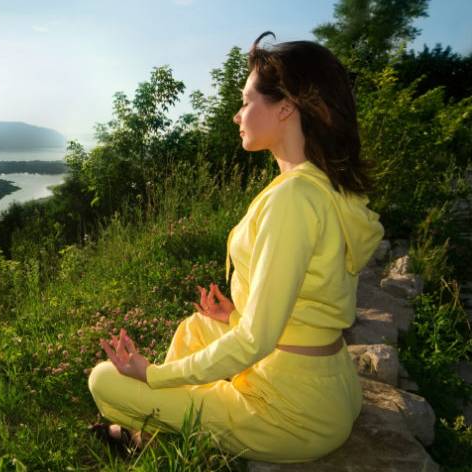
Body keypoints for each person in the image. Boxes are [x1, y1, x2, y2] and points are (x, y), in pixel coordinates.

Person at [87, 31, 385, 463]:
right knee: (197, 327)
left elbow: (254, 340)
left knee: (103, 381)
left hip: (291, 412)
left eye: (246, 102)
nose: (237, 115)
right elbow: (312, 297)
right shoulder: (323, 184)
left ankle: (152, 428)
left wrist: (153, 375)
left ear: (286, 108)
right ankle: (162, 425)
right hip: (322, 380)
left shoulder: (294, 199)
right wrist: (236, 314)